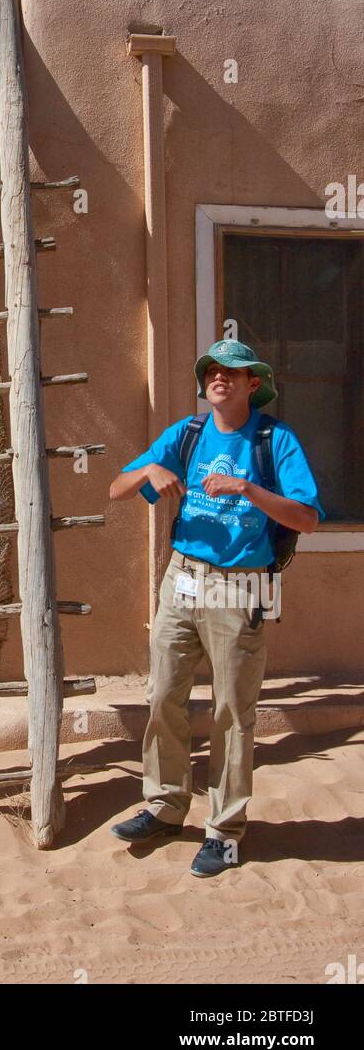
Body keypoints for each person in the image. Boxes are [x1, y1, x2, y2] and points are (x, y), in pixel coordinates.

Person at [107, 340, 324, 877]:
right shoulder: (187, 434)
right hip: (182, 579)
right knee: (162, 696)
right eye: (210, 370)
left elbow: (308, 518)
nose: (218, 377)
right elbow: (116, 487)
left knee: (231, 710)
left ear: (254, 384)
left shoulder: (276, 440)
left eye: (232, 371)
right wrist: (148, 475)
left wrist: (247, 487)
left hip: (239, 587)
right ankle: (164, 806)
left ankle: (224, 830)